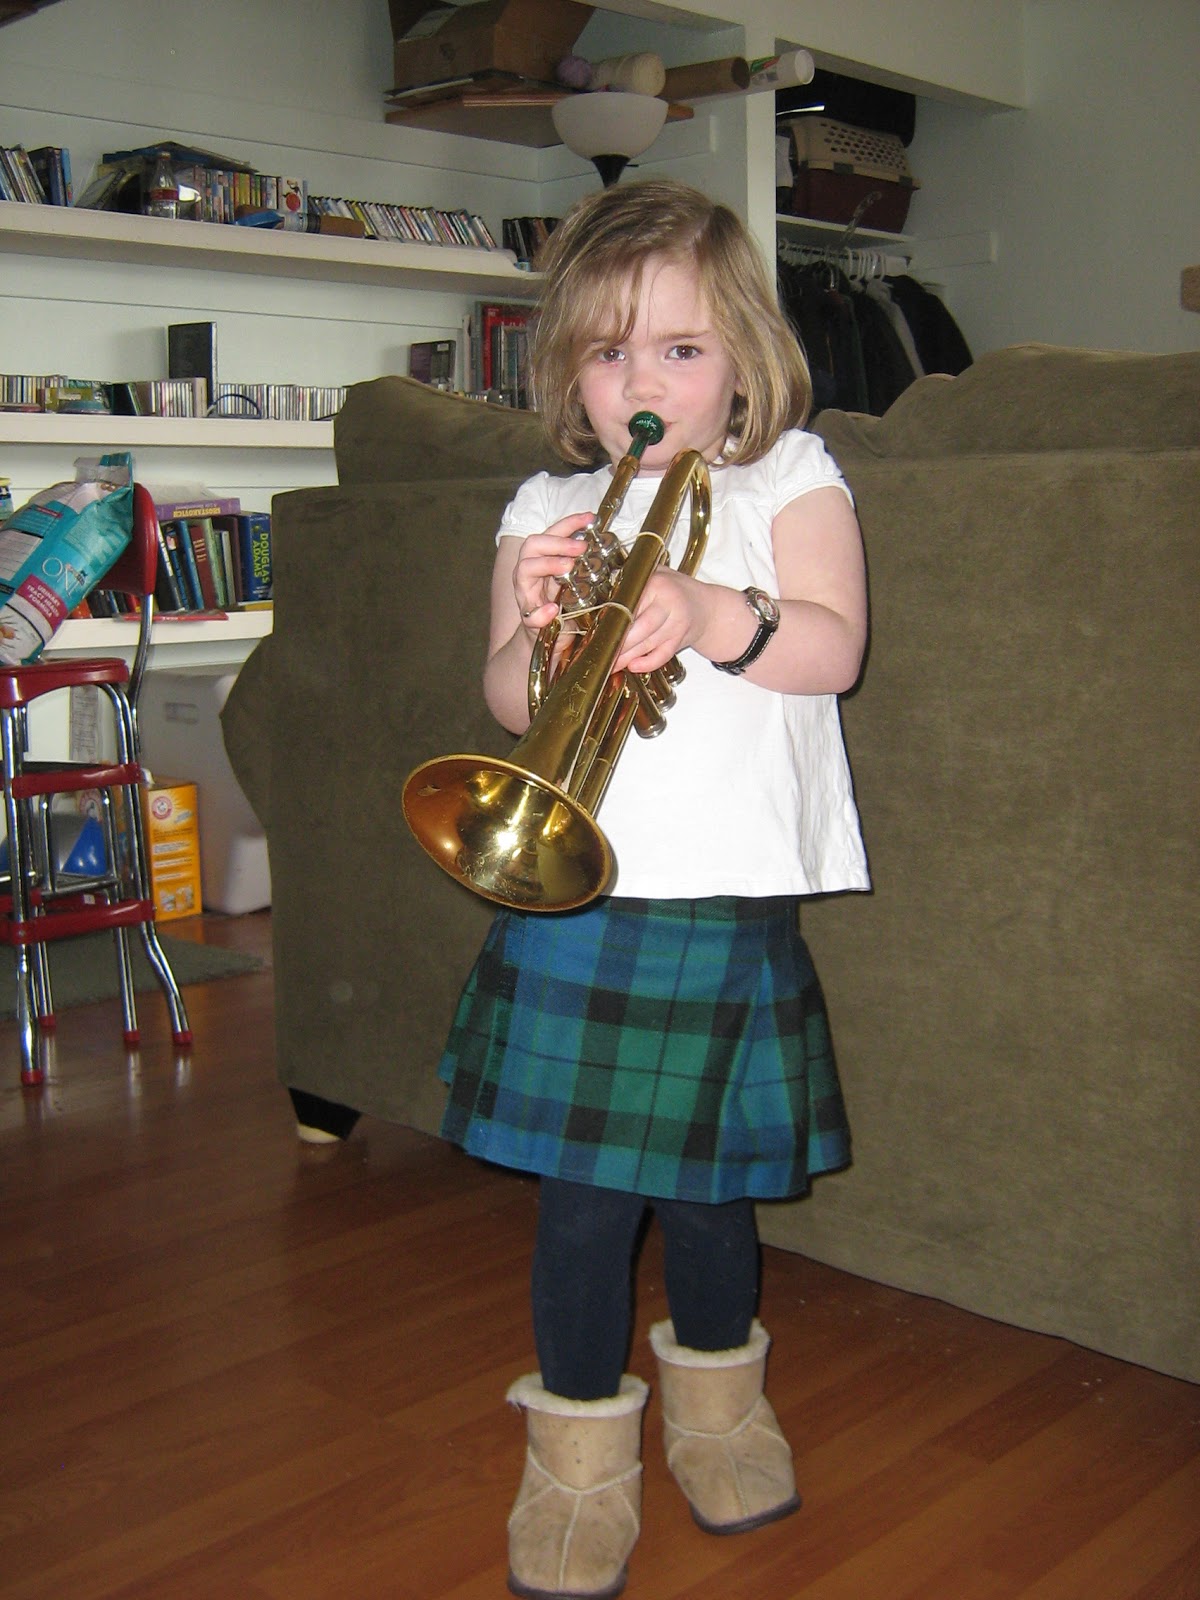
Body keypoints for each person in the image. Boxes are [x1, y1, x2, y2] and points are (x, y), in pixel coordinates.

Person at [435, 177, 870, 1600]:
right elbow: (506, 698)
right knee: (577, 1201)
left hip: (726, 891)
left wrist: (706, 612)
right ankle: (574, 1457)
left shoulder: (786, 475)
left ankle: (720, 1408)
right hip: (578, 895)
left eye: (679, 349)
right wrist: (551, 631)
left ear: (743, 355)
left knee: (707, 1199)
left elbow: (833, 649)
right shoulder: (549, 501)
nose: (642, 381)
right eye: (609, 350)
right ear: (569, 367)